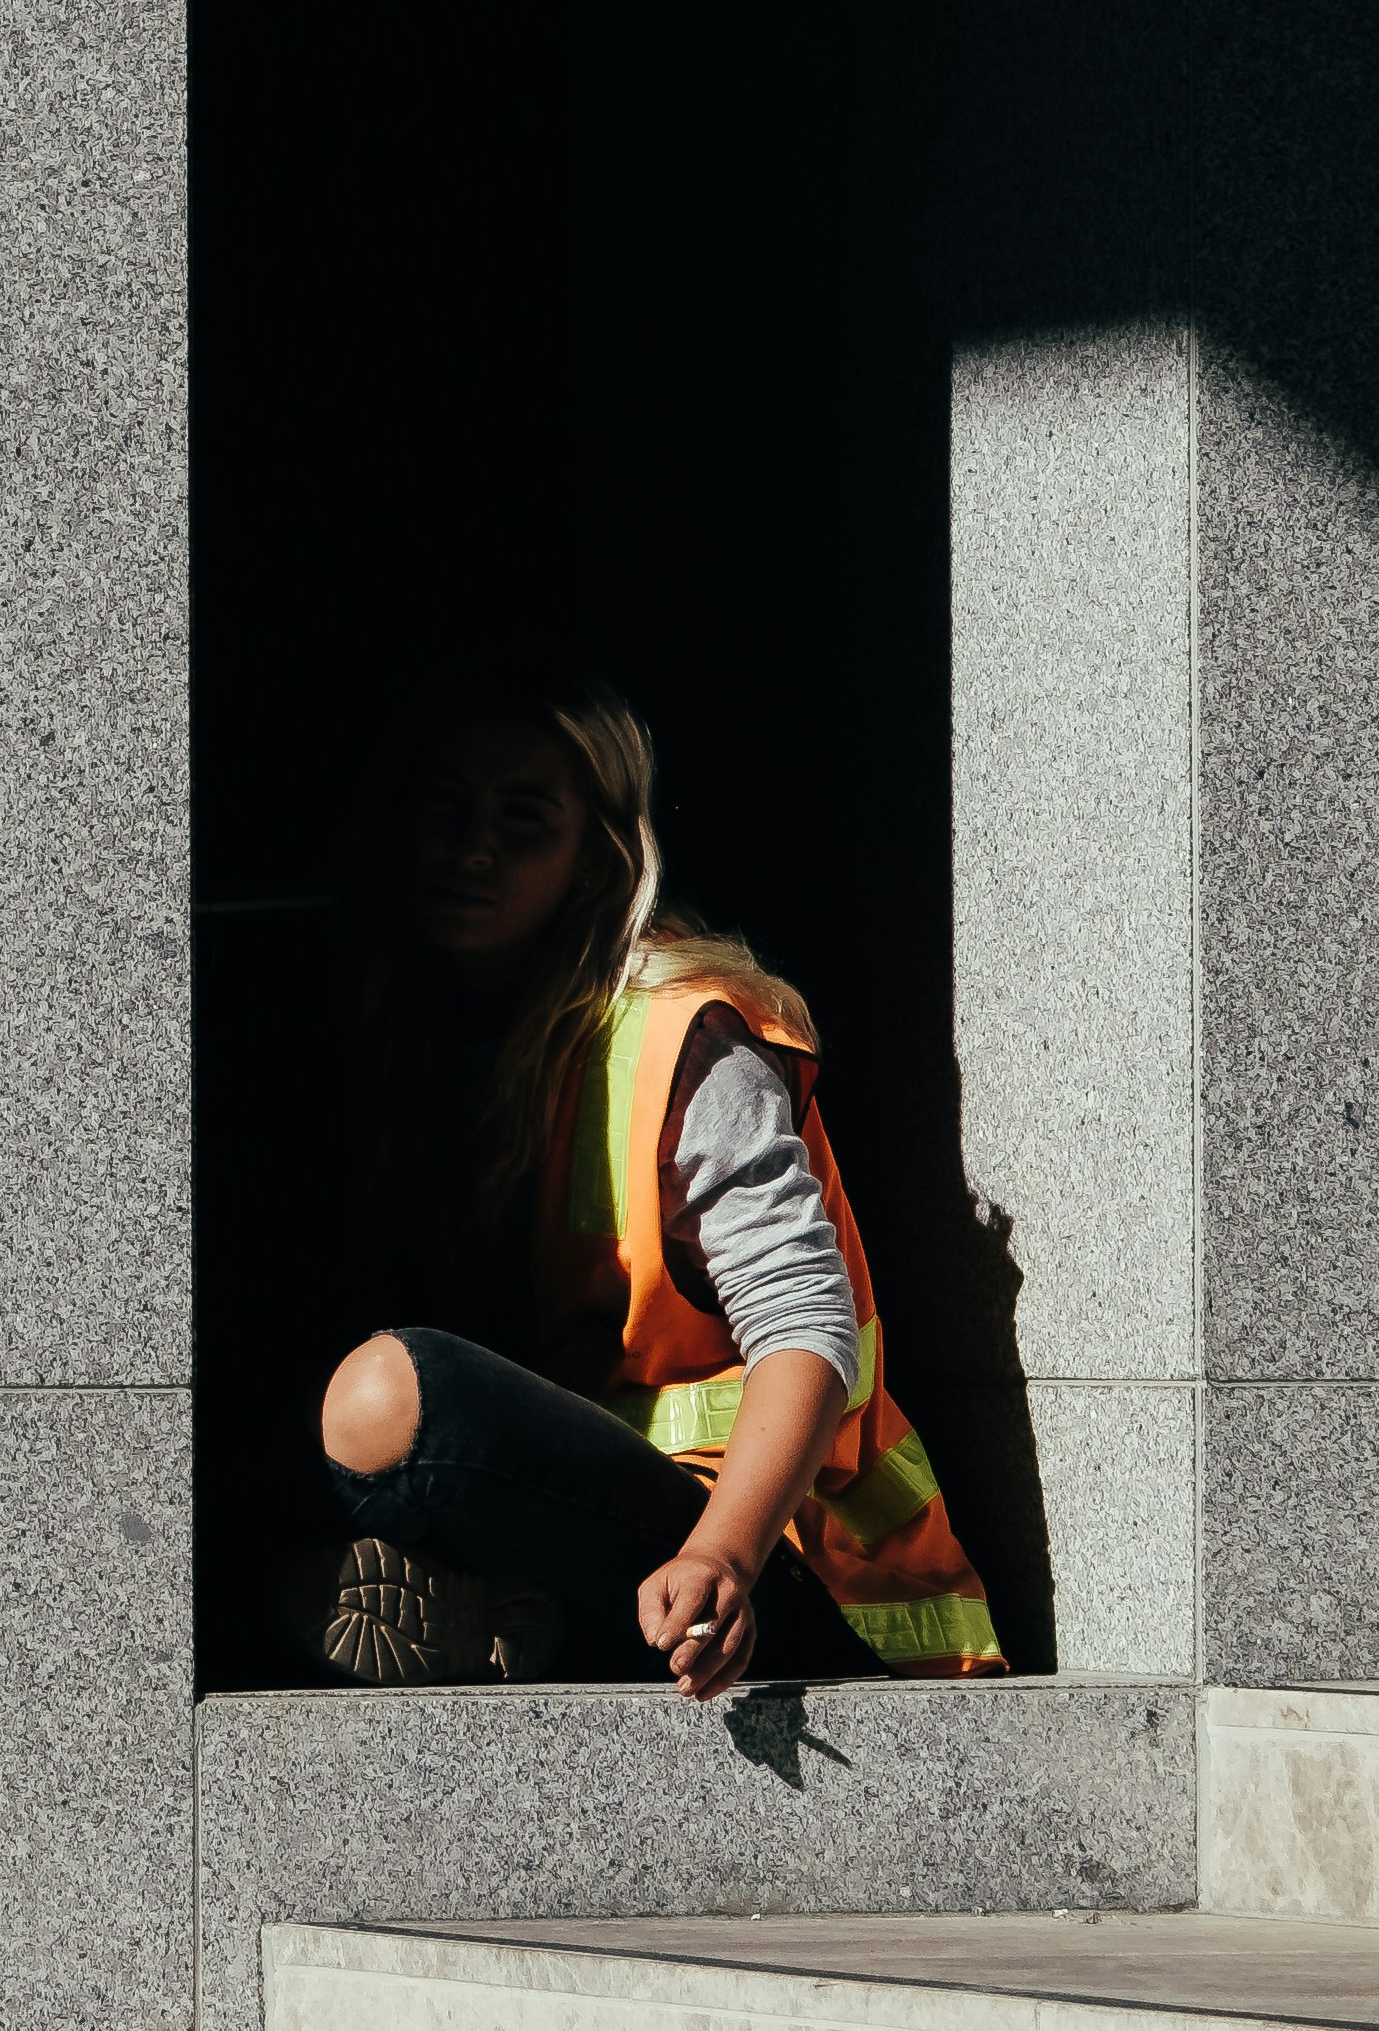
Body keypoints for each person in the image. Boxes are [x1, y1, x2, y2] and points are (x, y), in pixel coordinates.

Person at [277, 672, 1003, 1693]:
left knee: (385, 1398)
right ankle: (511, 1618)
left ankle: (526, 1621)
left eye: (524, 816)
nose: (473, 845)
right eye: (444, 804)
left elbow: (807, 1325)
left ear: (595, 860)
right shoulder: (400, 1039)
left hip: (781, 1584)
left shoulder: (682, 1032)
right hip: (606, 1554)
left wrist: (722, 1557)